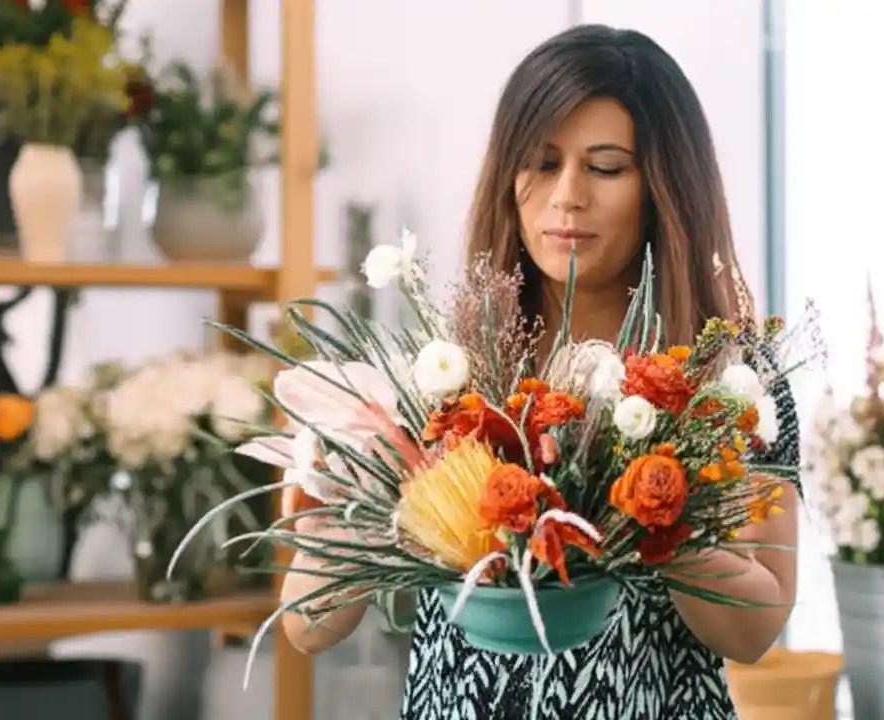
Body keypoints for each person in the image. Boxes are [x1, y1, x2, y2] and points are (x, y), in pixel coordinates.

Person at [280, 24, 802, 720]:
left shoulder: (733, 380)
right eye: (541, 162)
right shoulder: (445, 371)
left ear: (664, 187)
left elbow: (755, 629)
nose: (568, 195)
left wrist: (652, 507)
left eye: (607, 167)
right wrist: (370, 483)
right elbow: (307, 625)